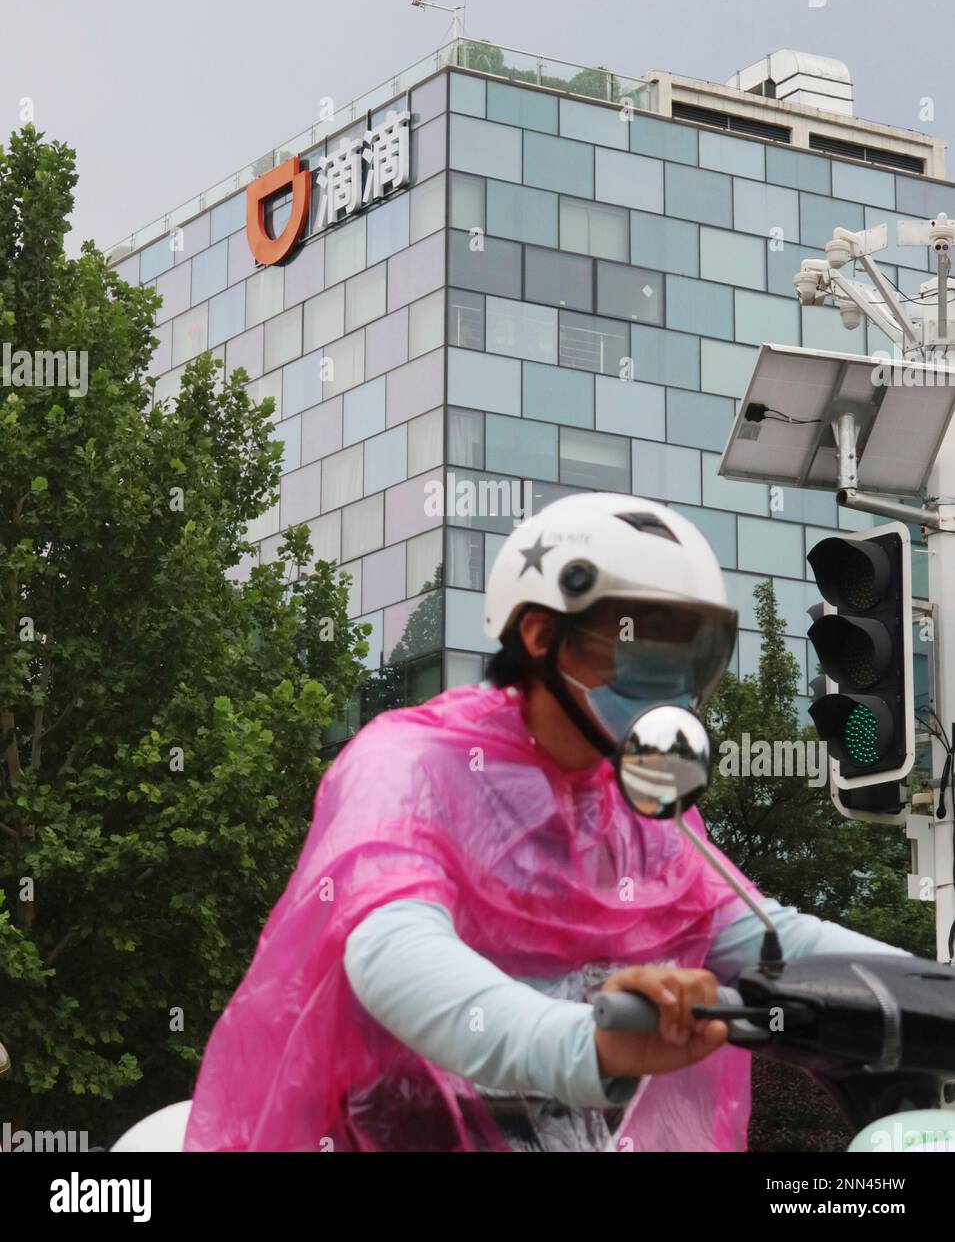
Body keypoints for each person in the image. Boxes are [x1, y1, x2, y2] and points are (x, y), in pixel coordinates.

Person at [184, 492, 909, 1153]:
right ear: (538, 635)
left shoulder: (637, 799)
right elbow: (391, 950)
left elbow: (768, 939)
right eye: (643, 644)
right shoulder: (409, 762)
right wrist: (584, 1046)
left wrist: (930, 987)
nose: (675, 681)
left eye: (694, 650)